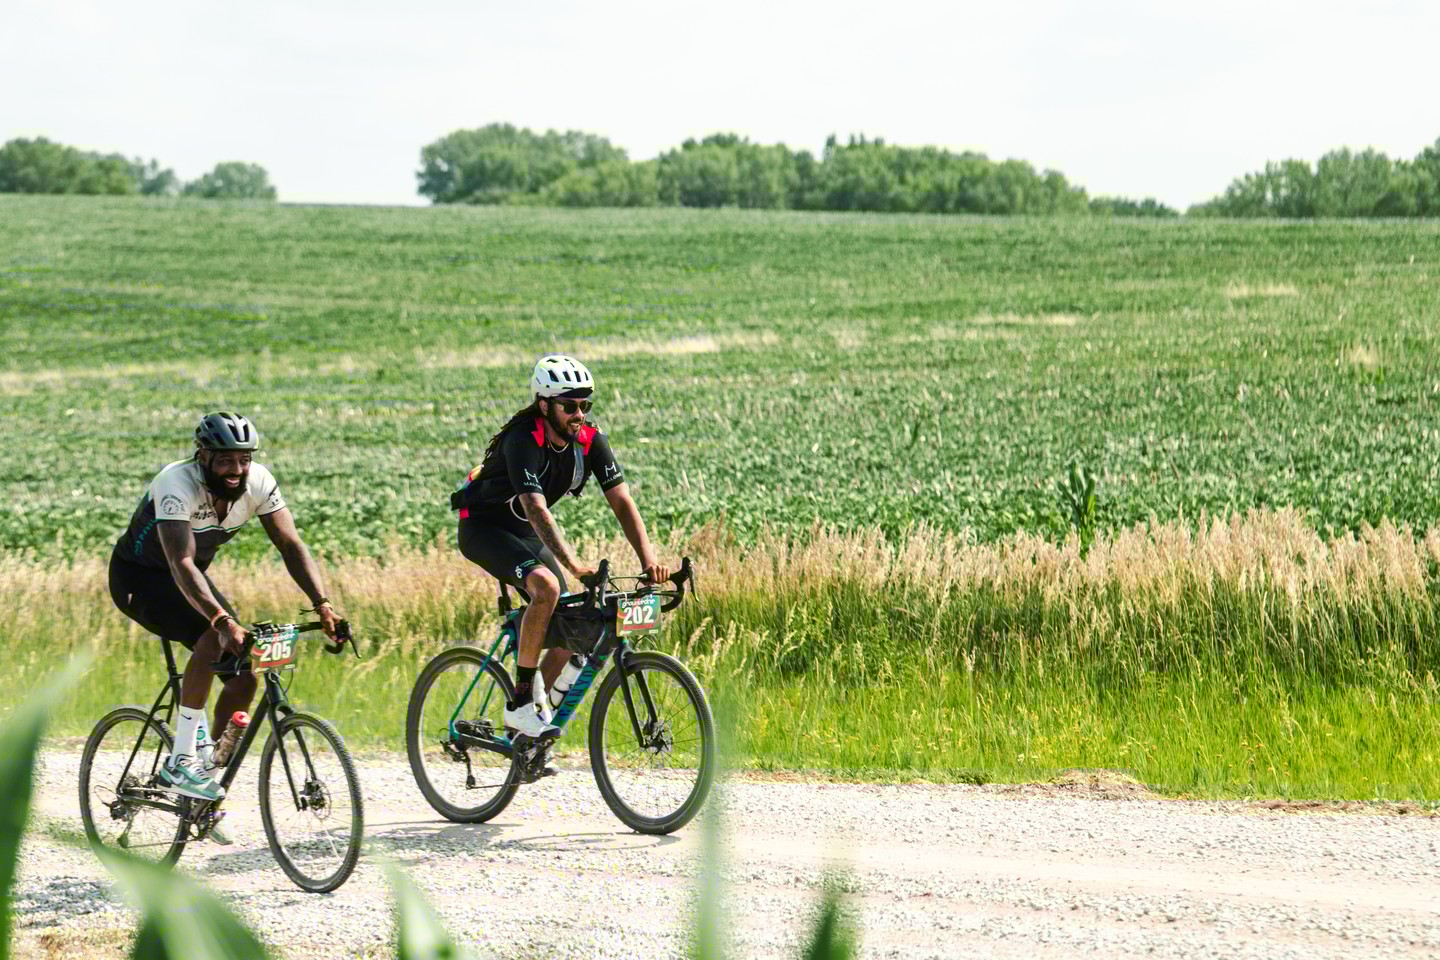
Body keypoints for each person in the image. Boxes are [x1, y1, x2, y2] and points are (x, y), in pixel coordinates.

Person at [108, 412, 344, 824]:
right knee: (213, 638)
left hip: (189, 578)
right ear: (203, 455)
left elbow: (290, 544)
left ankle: (205, 778)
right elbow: (181, 562)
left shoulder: (258, 483)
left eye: (244, 460)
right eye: (225, 461)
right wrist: (221, 621)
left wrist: (322, 603)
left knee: (244, 674)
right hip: (141, 579)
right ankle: (181, 760)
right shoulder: (175, 483)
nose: (236, 470)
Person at [451, 355, 670, 742]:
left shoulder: (589, 441)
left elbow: (622, 501)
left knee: (570, 617)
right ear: (544, 405)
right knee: (547, 589)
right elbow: (536, 509)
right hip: (483, 528)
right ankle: (520, 704)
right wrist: (574, 565)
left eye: (585, 405)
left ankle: (532, 728)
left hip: (524, 532)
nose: (579, 414)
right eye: (570, 406)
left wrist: (649, 561)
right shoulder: (523, 441)